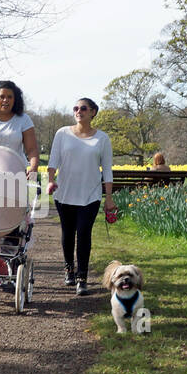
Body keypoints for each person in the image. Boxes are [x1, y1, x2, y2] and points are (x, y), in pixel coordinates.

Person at [46, 97, 114, 296]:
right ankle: (69, 268)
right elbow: (53, 161)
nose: (78, 111)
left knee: (84, 233)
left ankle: (82, 278)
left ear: (93, 112)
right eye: (76, 108)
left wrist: (108, 197)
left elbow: (107, 170)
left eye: (83, 108)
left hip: (90, 195)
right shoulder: (62, 134)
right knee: (68, 233)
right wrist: (51, 180)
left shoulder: (102, 138)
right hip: (64, 193)